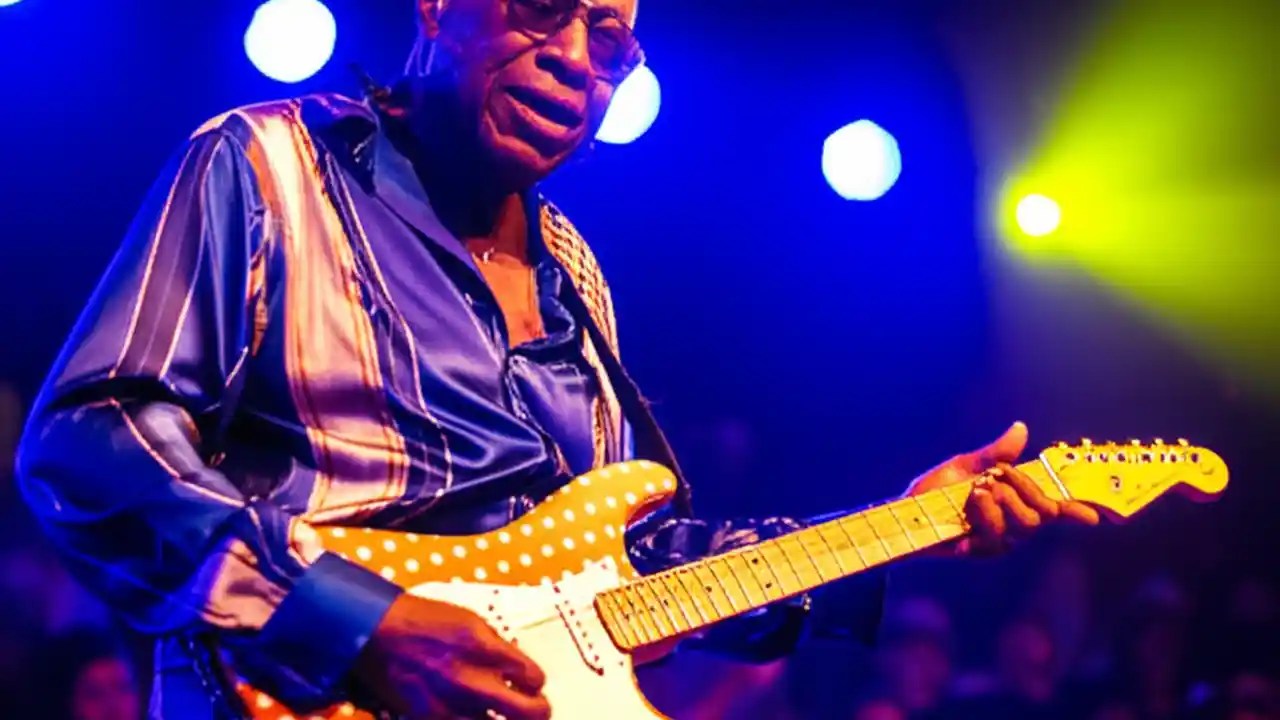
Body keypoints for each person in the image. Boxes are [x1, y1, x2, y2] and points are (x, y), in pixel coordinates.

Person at [15, 0, 1099, 717]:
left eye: (613, 44)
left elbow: (631, 562)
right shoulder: (264, 166)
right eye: (542, 9)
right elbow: (89, 443)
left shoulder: (572, 269)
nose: (580, 62)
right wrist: (354, 623)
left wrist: (899, 531)